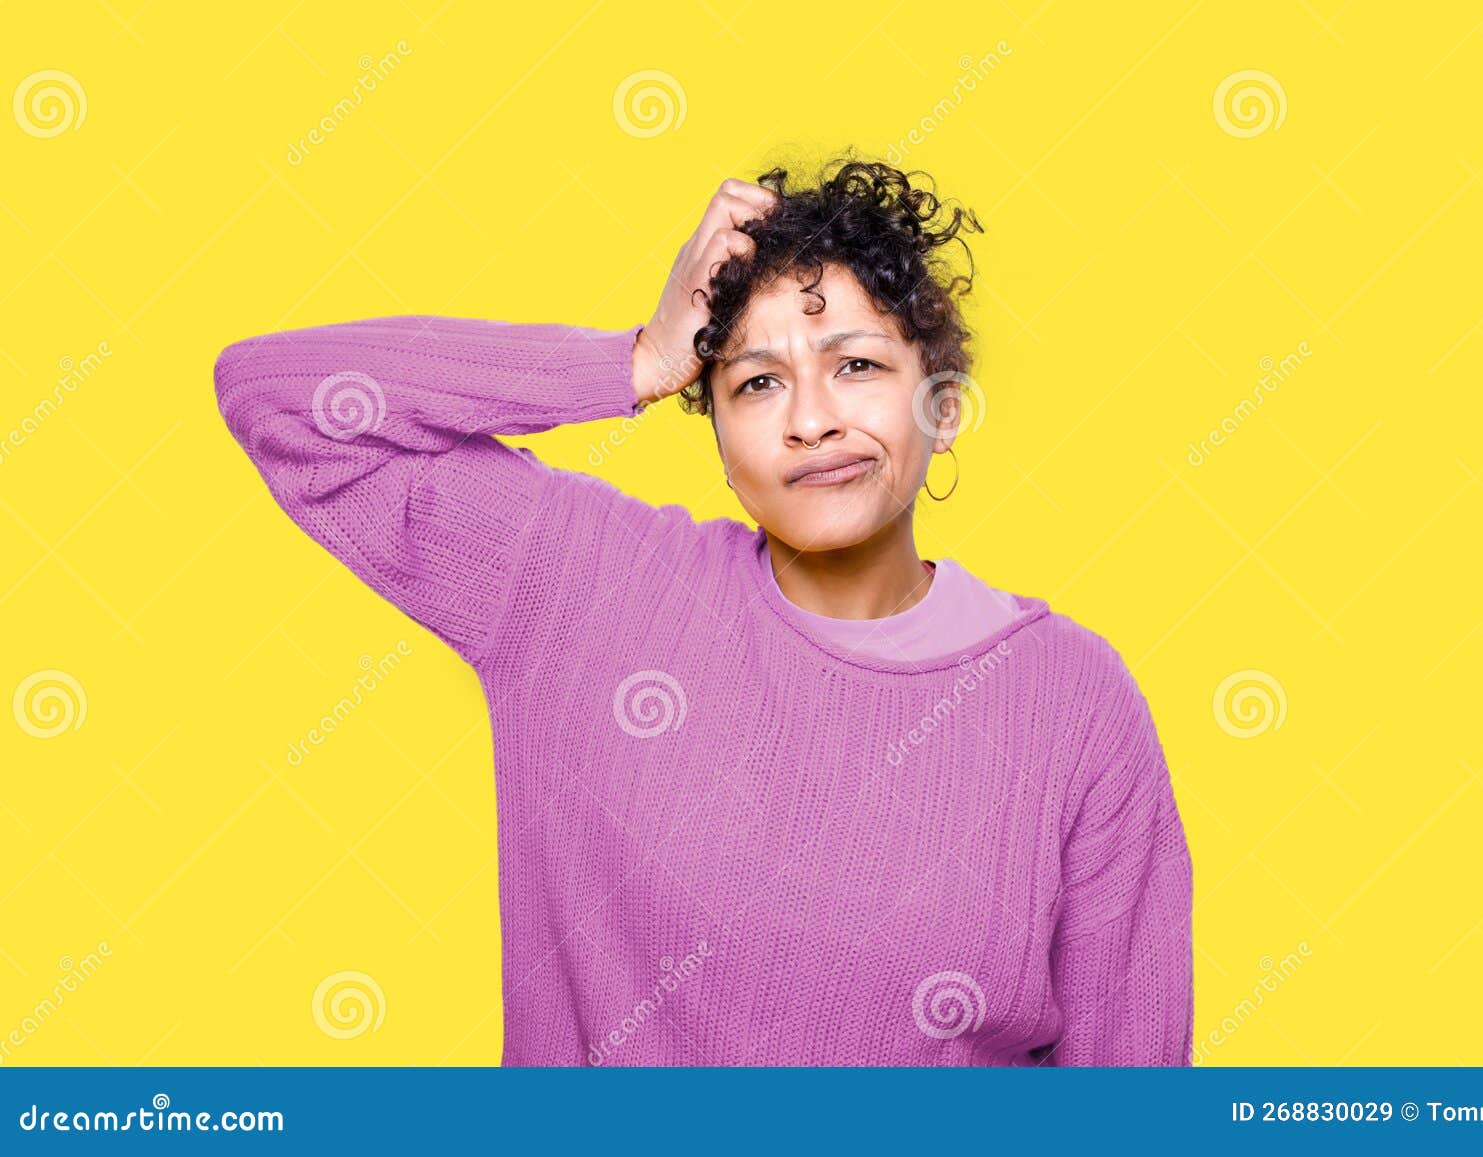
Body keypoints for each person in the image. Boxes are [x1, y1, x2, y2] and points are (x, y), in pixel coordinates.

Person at [213, 152, 1194, 1067]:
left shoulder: (1070, 698)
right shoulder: (584, 584)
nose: (811, 418)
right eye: (758, 380)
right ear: (715, 430)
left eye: (855, 365)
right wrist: (629, 361)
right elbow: (280, 394)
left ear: (938, 403)